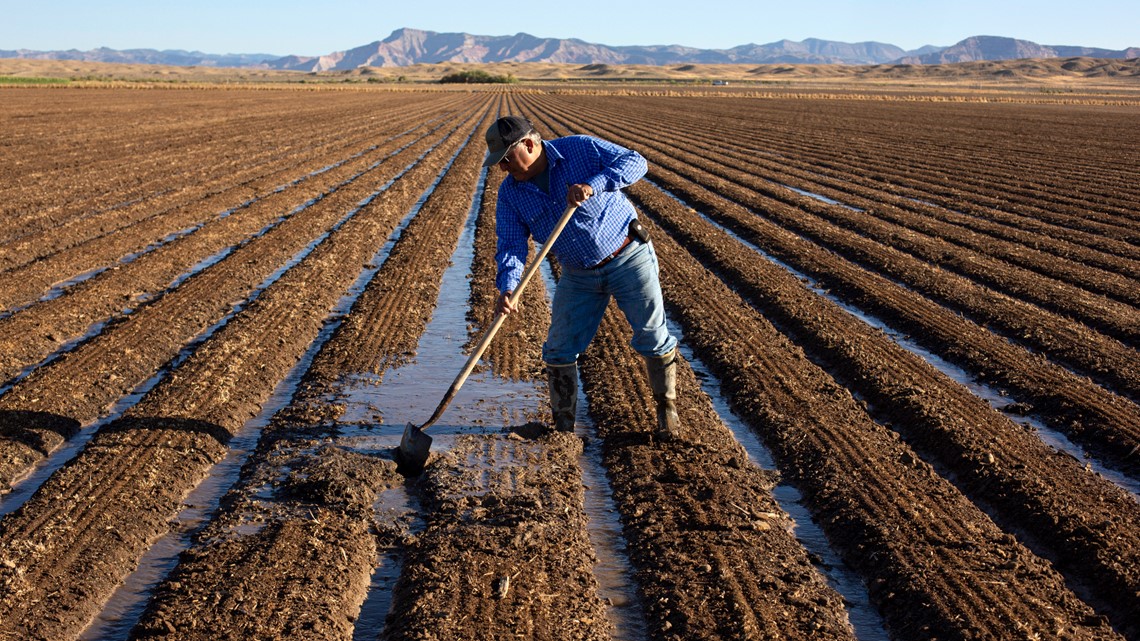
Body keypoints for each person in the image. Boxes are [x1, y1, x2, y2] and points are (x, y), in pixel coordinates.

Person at [483, 115, 681, 441]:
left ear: (529, 145)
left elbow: (636, 162)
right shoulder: (511, 195)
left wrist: (594, 184)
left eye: (505, 159)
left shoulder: (580, 149)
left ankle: (667, 415)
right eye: (499, 163)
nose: (503, 168)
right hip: (577, 275)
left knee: (652, 337)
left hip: (628, 257)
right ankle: (564, 432)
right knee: (558, 350)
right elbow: (511, 246)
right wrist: (507, 287)